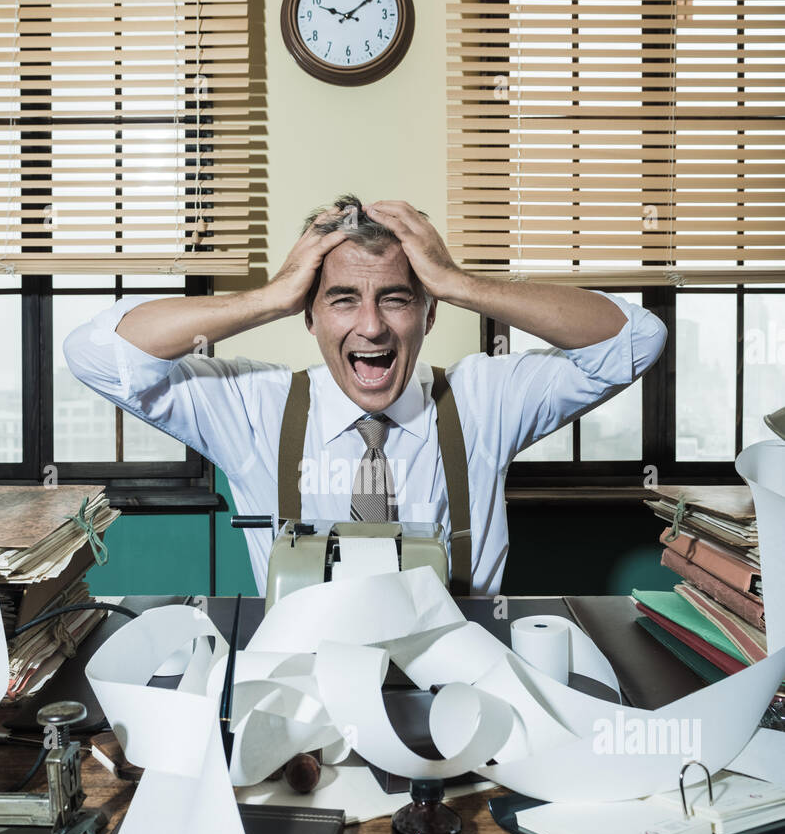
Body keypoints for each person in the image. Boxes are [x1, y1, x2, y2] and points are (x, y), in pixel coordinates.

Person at [63, 194, 667, 595]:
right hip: (304, 694)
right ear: (310, 318)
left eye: (398, 299)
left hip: (456, 690)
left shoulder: (484, 400)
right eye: (343, 298)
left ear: (428, 317)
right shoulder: (254, 406)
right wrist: (271, 296)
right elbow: (94, 354)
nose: (372, 327)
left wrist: (456, 282)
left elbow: (636, 340)